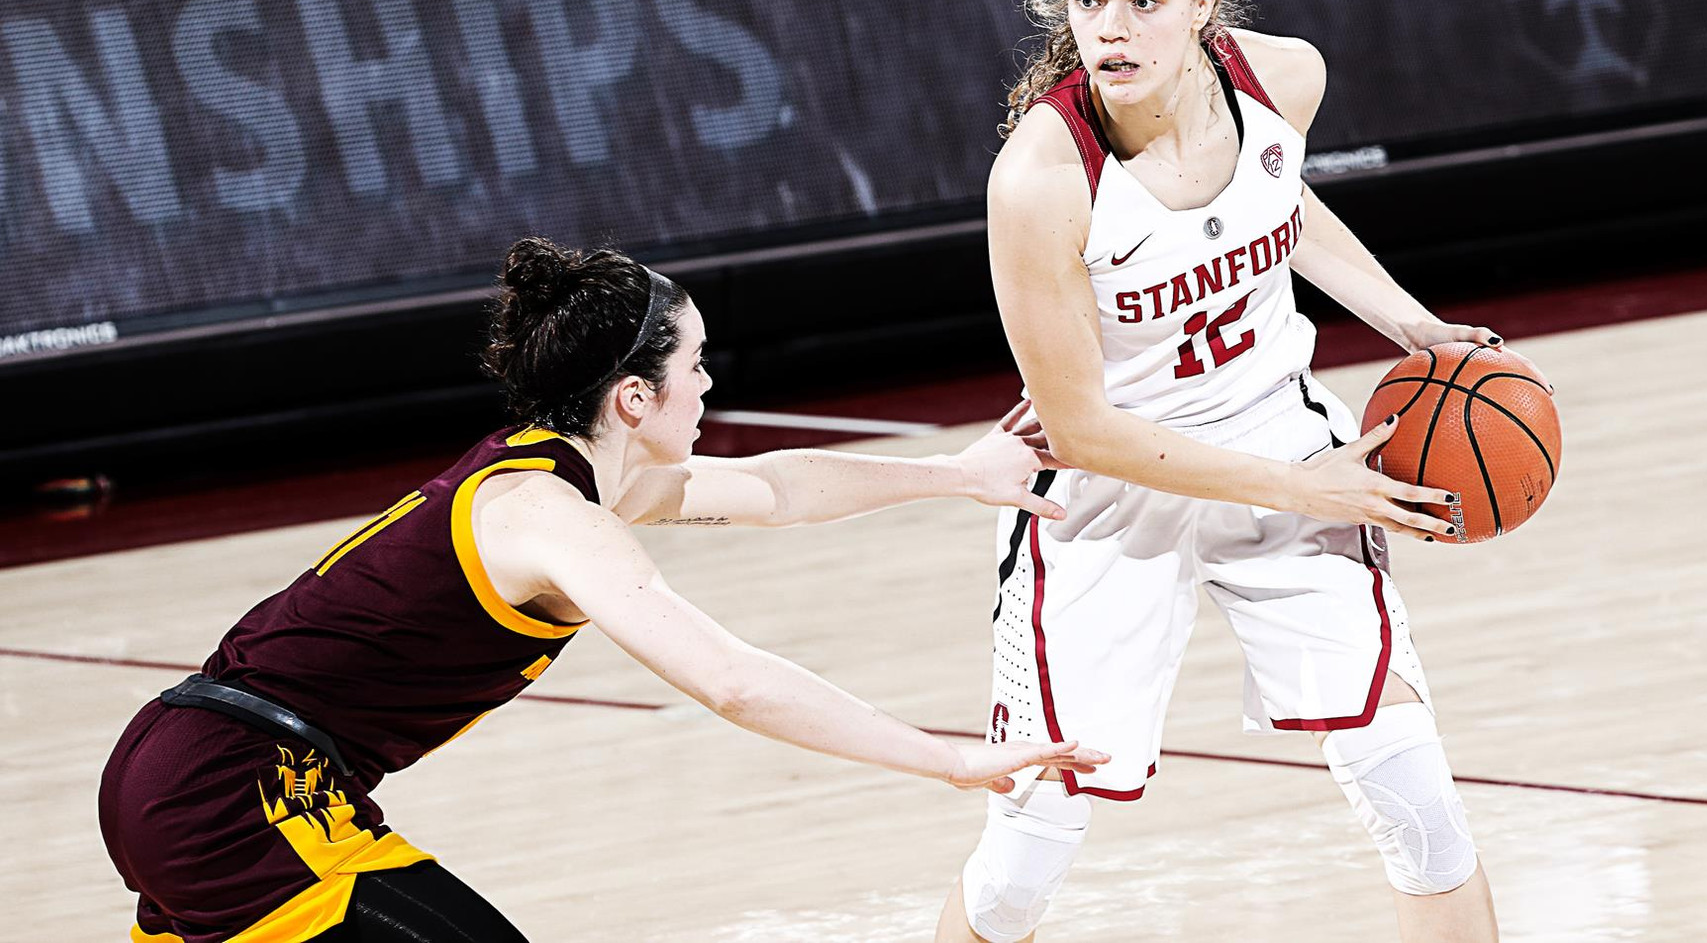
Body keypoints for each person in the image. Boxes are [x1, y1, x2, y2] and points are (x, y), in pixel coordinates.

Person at [98, 236, 1108, 943]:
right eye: (696, 365)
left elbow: (775, 489)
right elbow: (731, 681)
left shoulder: (565, 474)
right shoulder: (550, 517)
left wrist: (957, 474)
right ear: (634, 397)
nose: (707, 384)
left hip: (196, 769)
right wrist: (947, 758)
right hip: (236, 790)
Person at [935, 0, 1509, 942]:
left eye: (1143, 1)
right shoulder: (1040, 179)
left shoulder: (1283, 77)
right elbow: (1082, 431)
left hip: (1279, 435)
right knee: (1025, 858)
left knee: (1416, 803)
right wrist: (1305, 486)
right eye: (1089, 1)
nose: (1111, 29)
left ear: (1205, 3)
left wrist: (1413, 324)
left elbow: (1278, 193)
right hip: (1110, 495)